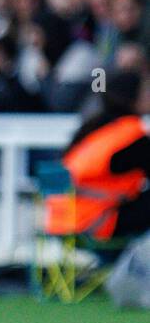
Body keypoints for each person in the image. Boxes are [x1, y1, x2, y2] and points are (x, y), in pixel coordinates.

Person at [52, 71, 150, 240]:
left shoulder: (96, 128)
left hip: (63, 219)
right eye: (146, 91)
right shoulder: (130, 136)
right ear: (131, 97)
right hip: (94, 222)